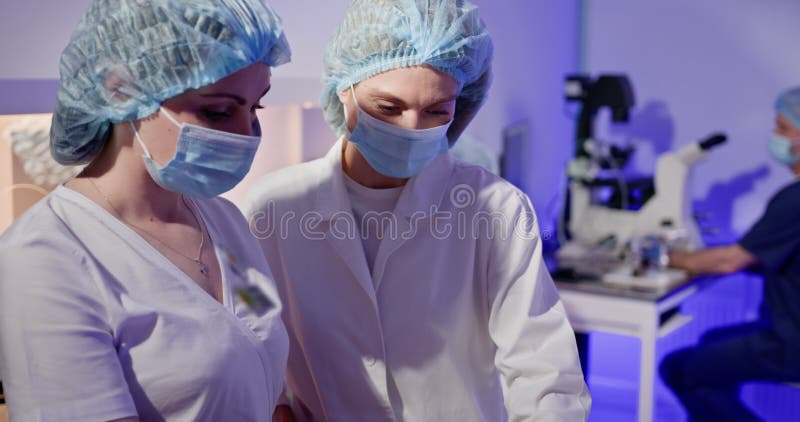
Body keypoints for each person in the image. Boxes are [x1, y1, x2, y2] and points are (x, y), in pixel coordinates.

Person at [245, 0, 591, 420]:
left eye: (435, 111)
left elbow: (545, 374)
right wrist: (278, 405)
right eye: (388, 108)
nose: (410, 128)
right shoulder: (274, 210)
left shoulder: (496, 211)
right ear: (344, 91)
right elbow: (255, 347)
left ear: (460, 108)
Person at [0, 0, 291, 420]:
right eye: (219, 111)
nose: (247, 134)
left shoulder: (224, 220)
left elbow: (257, 359)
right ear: (123, 90)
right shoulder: (43, 259)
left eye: (254, 107)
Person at [660, 87, 800, 421]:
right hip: (787, 331)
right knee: (711, 338)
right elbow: (764, 257)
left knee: (679, 369)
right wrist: (710, 258)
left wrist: (668, 258)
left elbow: (730, 261)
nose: (774, 136)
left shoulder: (794, 200)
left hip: (789, 344)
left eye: (783, 128)